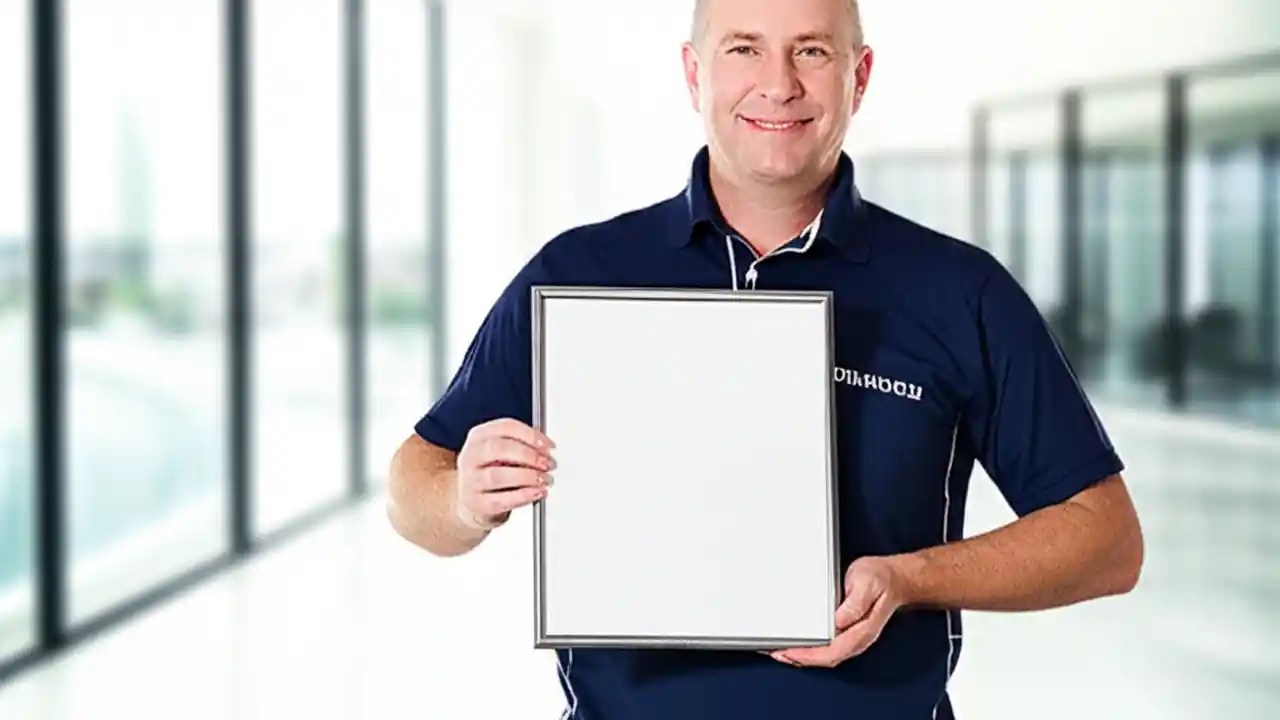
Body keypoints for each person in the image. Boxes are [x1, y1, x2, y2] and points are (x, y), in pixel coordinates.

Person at [386, 0, 1145, 717]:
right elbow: (413, 487)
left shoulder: (959, 291)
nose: (778, 85)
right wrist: (464, 501)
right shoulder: (578, 275)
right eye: (744, 48)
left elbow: (1107, 540)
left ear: (859, 76)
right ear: (694, 73)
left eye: (810, 51)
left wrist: (910, 579)